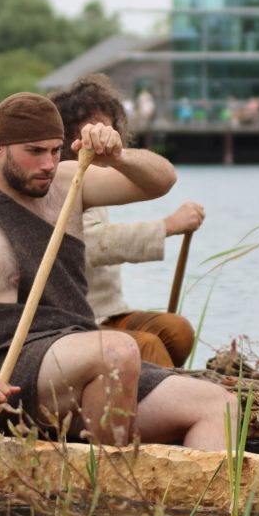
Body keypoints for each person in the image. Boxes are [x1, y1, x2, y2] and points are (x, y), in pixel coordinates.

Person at [0, 92, 236, 450]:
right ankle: (108, 479)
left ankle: (177, 487)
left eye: (55, 150)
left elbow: (162, 181)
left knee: (219, 405)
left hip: (82, 361)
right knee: (117, 350)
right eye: (34, 151)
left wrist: (119, 156)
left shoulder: (68, 182)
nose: (47, 163)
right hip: (8, 377)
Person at [50, 74, 203, 369]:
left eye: (108, 128)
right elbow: (91, 244)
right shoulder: (56, 176)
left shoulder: (99, 174)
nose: (104, 136)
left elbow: (164, 177)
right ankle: (166, 392)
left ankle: (149, 384)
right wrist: (167, 227)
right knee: (148, 346)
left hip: (108, 311)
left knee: (177, 331)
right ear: (68, 133)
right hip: (71, 321)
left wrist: (118, 157)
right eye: (93, 128)